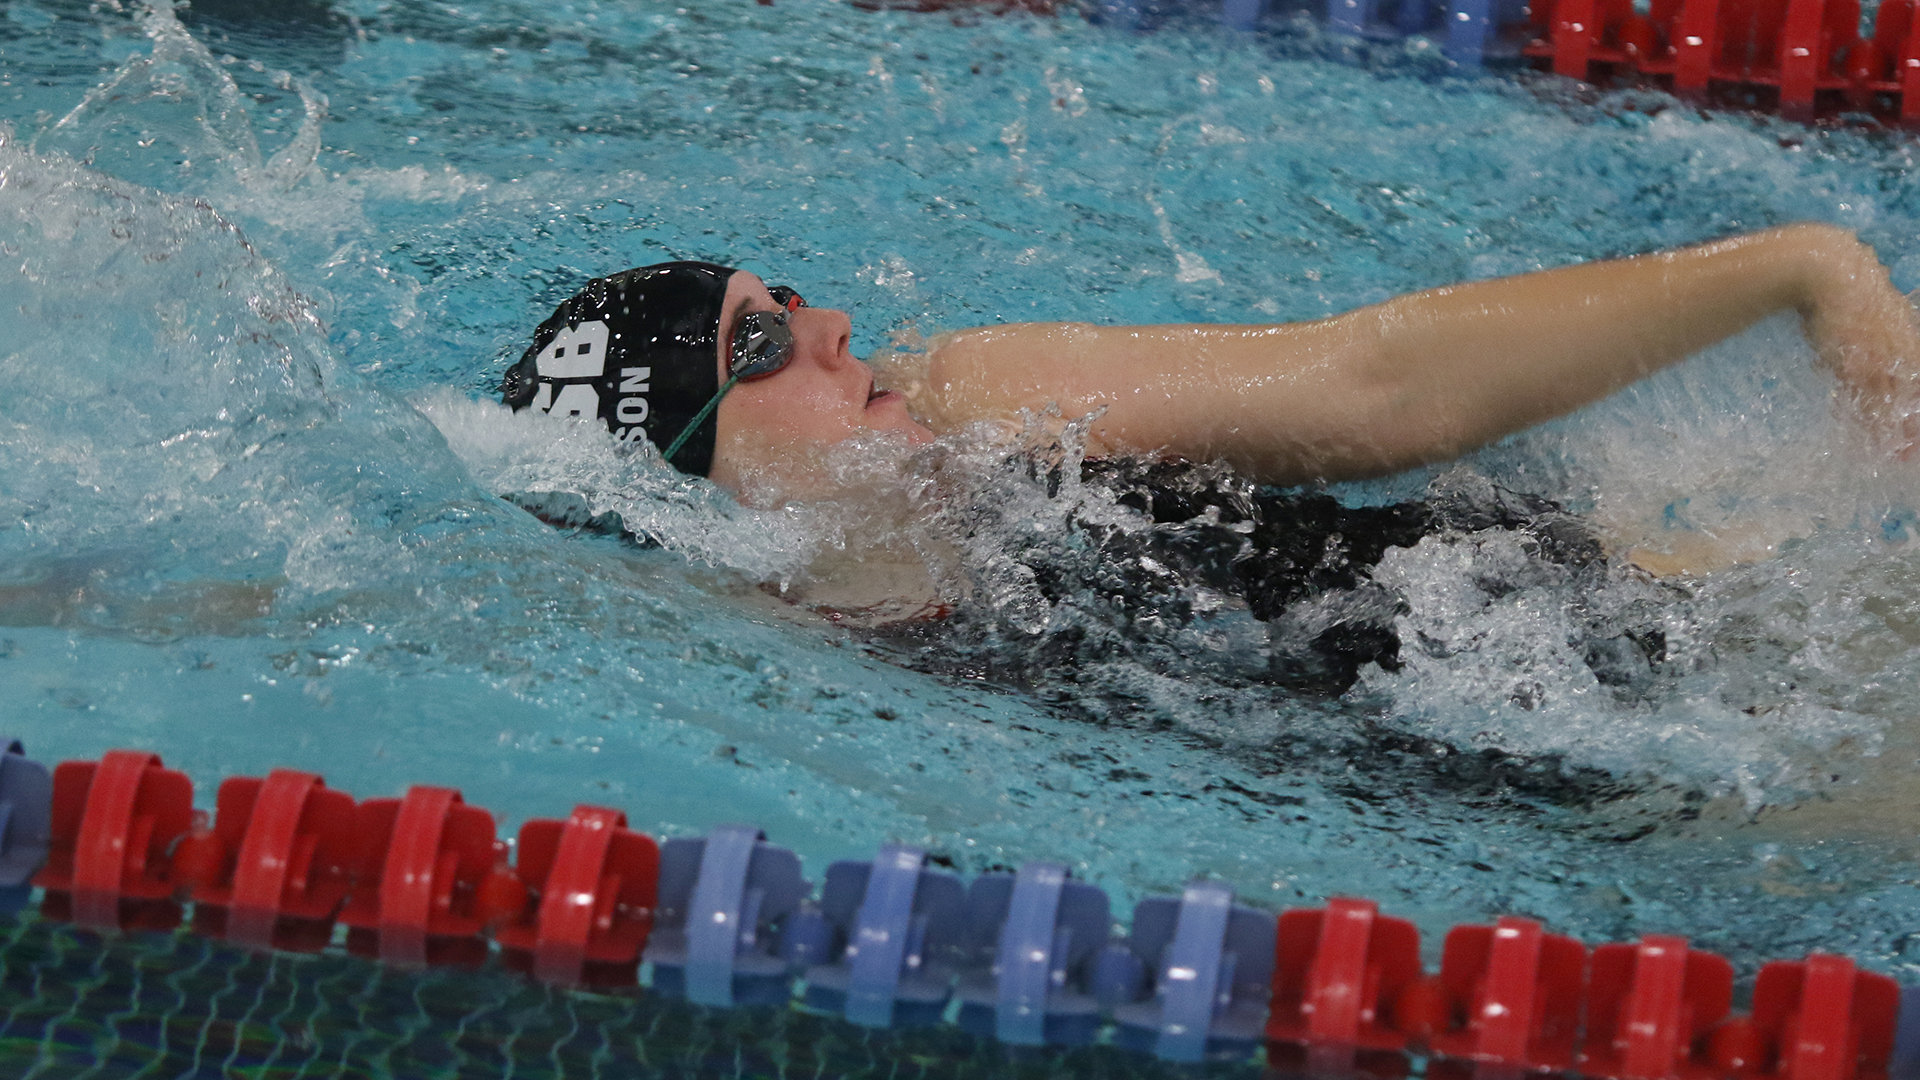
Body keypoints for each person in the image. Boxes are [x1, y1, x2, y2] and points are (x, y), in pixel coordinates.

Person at [496, 223, 1920, 690]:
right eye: (758, 352)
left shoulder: (979, 402)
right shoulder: (727, 628)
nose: (837, 329)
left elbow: (1374, 385)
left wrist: (1797, 272)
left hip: (1599, 634)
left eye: (789, 303)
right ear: (682, 474)